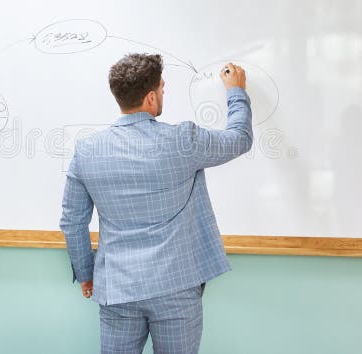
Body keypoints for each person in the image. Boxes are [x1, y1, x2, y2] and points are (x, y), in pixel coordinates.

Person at [59, 53, 252, 353]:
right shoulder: (182, 140)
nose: (163, 93)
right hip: (176, 288)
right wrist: (235, 92)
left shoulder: (87, 150)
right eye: (162, 88)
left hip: (117, 289)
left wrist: (86, 273)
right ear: (150, 97)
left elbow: (72, 221)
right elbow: (239, 138)